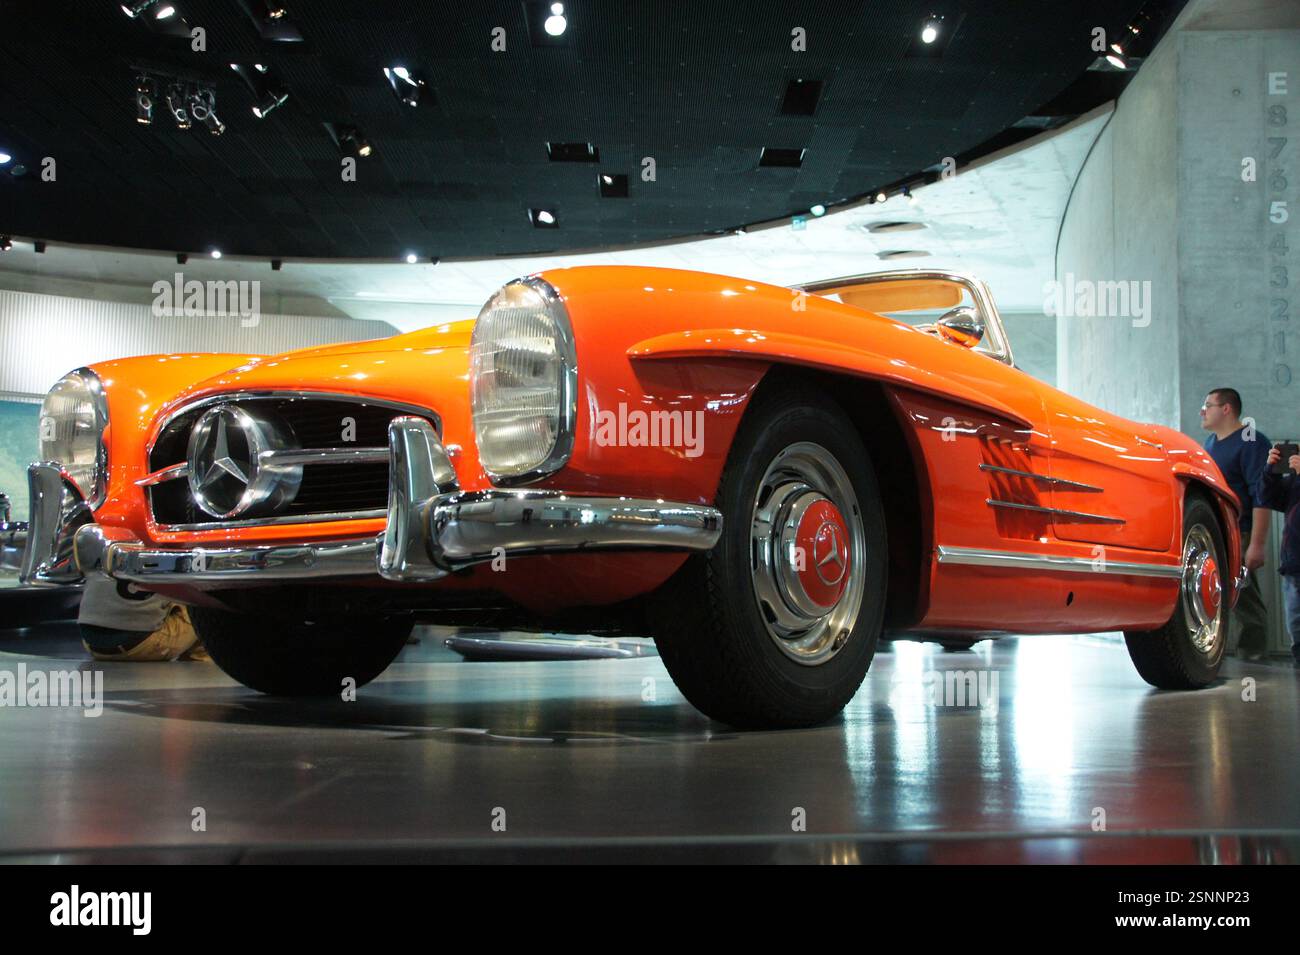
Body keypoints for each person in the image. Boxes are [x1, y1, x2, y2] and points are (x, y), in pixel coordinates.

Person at [1200, 387, 1271, 660]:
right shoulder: (1209, 443)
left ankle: (1253, 658)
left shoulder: (1251, 441)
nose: (1203, 411)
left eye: (1209, 405)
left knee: (1245, 598)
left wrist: (1256, 545)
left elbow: (1261, 495)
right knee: (1223, 592)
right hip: (1217, 532)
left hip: (1240, 533)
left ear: (1226, 409)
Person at [78, 577, 207, 662]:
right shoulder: (169, 543)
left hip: (92, 644)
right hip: (141, 645)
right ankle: (203, 667)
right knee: (210, 603)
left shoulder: (109, 540)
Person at [1260, 444, 1300, 664]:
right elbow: (1267, 497)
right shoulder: (1293, 480)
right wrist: (1270, 471)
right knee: (1296, 623)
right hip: (1294, 564)